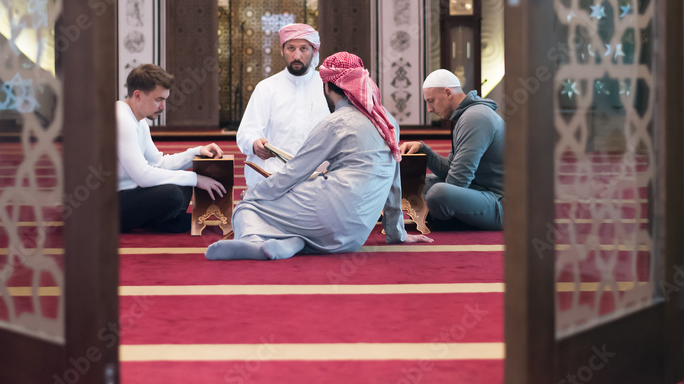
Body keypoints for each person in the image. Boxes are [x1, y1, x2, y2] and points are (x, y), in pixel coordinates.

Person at [206, 52, 433, 261]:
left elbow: (294, 172)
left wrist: (256, 193)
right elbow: (394, 183)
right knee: (295, 209)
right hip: (354, 236)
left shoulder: (336, 122)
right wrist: (396, 233)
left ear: (327, 86)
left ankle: (253, 240)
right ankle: (292, 243)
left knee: (248, 206)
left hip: (329, 213)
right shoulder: (388, 121)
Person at [117, 64, 226, 233]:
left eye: (165, 100)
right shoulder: (122, 120)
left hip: (131, 193)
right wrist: (195, 179)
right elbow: (143, 176)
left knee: (183, 184)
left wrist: (196, 153)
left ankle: (160, 220)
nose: (163, 107)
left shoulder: (139, 121)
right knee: (173, 193)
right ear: (137, 95)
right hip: (107, 207)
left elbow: (159, 163)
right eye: (159, 100)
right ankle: (162, 220)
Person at [399, 69, 504, 230]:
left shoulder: (475, 118)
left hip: (500, 203)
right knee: (421, 184)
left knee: (437, 193)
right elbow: (451, 170)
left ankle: (446, 217)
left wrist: (427, 197)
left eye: (431, 101)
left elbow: (458, 181)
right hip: (480, 190)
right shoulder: (468, 115)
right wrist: (424, 150)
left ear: (448, 93)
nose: (429, 109)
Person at [236, 23, 329, 189]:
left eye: (304, 49)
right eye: (291, 48)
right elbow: (246, 133)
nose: (296, 55)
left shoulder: (327, 88)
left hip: (318, 178)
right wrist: (255, 144)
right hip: (273, 176)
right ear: (282, 51)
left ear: (314, 51)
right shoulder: (266, 88)